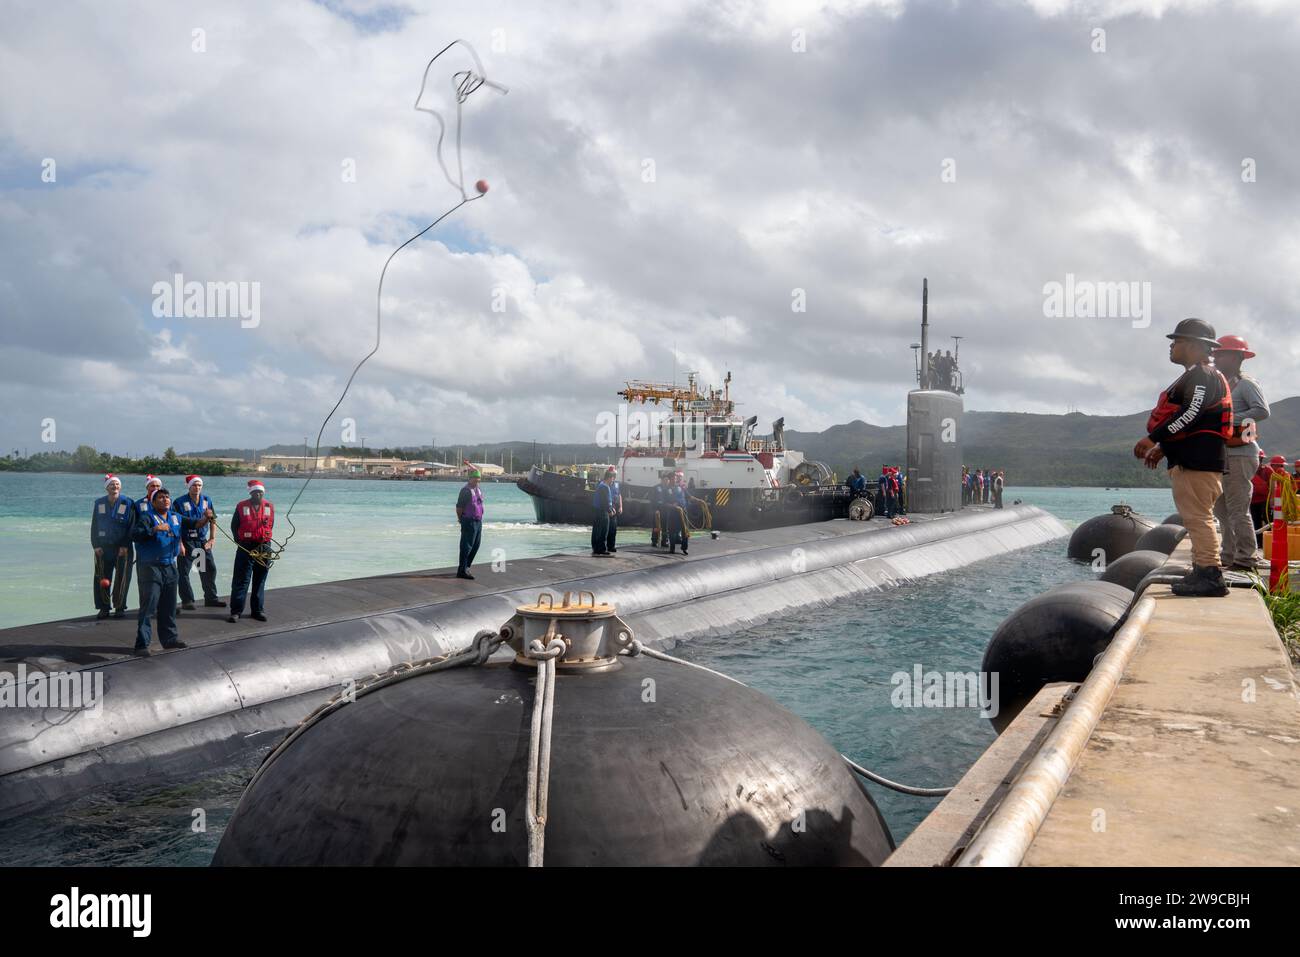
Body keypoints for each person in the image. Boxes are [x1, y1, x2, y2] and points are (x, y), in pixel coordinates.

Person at [1134, 318, 1232, 597]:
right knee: (1195, 517)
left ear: (1193, 345)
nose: (1172, 347)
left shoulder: (1202, 375)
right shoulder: (1198, 374)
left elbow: (1191, 413)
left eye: (1176, 342)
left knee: (1198, 518)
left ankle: (1210, 576)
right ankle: (1202, 569)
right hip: (1193, 459)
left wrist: (1153, 438)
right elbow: (1197, 418)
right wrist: (1164, 448)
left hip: (1199, 461)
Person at [1209, 336, 1269, 571]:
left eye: (1220, 354)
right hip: (1223, 454)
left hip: (1240, 453)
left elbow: (1262, 411)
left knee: (1237, 509)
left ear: (1236, 357)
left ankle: (1246, 557)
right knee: (1221, 509)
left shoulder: (1246, 384)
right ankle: (1229, 554)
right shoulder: (1220, 385)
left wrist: (1227, 421)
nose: (1215, 358)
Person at [131, 486, 187, 654]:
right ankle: (141, 644)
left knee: (169, 606)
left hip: (170, 566)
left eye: (167, 497)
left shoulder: (176, 517)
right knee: (148, 606)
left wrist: (206, 520)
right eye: (161, 498)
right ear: (153, 502)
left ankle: (169, 639)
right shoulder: (146, 518)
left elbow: (194, 523)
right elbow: (135, 535)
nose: (166, 500)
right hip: (150, 568)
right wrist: (155, 529)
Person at [175, 474, 224, 610]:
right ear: (189, 486)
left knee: (207, 569)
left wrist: (212, 538)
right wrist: (180, 544)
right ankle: (187, 601)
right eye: (194, 485)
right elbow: (176, 524)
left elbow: (213, 520)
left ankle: (210, 598)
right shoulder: (179, 502)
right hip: (187, 542)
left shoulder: (207, 500)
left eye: (199, 485)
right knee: (184, 572)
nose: (197, 487)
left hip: (201, 542)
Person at [228, 480, 275, 622]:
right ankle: (236, 611)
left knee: (260, 579)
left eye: (260, 492)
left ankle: (258, 610)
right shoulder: (241, 506)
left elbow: (271, 525)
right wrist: (240, 542)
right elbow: (234, 525)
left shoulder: (269, 506)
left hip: (264, 546)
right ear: (250, 492)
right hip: (245, 546)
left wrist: (263, 538)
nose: (258, 494)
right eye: (255, 492)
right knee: (241, 580)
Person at [91, 474, 135, 619]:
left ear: (120, 487)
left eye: (117, 484)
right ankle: (104, 607)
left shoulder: (128, 503)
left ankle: (120, 607)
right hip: (103, 548)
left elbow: (131, 526)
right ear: (106, 488)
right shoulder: (99, 503)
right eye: (111, 484)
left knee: (122, 578)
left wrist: (125, 545)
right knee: (102, 578)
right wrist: (95, 545)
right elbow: (94, 525)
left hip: (123, 549)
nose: (114, 486)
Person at [454, 470, 484, 580]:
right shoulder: (465, 491)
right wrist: (460, 519)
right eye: (475, 478)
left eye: (478, 478)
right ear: (470, 479)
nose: (477, 480)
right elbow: (459, 508)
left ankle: (466, 567)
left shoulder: (478, 490)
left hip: (478, 521)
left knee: (476, 546)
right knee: (466, 547)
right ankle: (462, 570)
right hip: (468, 521)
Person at [591, 471, 614, 556]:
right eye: (612, 478)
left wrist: (611, 508)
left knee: (596, 530)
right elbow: (605, 501)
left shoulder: (600, 485)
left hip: (597, 510)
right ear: (609, 478)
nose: (613, 480)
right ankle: (601, 549)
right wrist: (609, 511)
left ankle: (595, 547)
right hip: (602, 511)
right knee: (604, 530)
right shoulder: (605, 487)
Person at [1251, 451, 1270, 547]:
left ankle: (1270, 541)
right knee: (1255, 521)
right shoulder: (1247, 469)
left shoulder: (1267, 470)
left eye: (1260, 458)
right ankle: (1259, 543)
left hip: (1265, 501)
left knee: (1268, 521)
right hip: (1252, 501)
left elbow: (1274, 485)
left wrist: (1272, 500)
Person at [605, 467, 622, 554]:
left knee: (613, 529)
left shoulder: (616, 484)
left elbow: (619, 495)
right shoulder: (605, 483)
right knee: (606, 529)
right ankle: (605, 546)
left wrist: (621, 507)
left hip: (615, 508)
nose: (613, 476)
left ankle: (611, 546)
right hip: (608, 508)